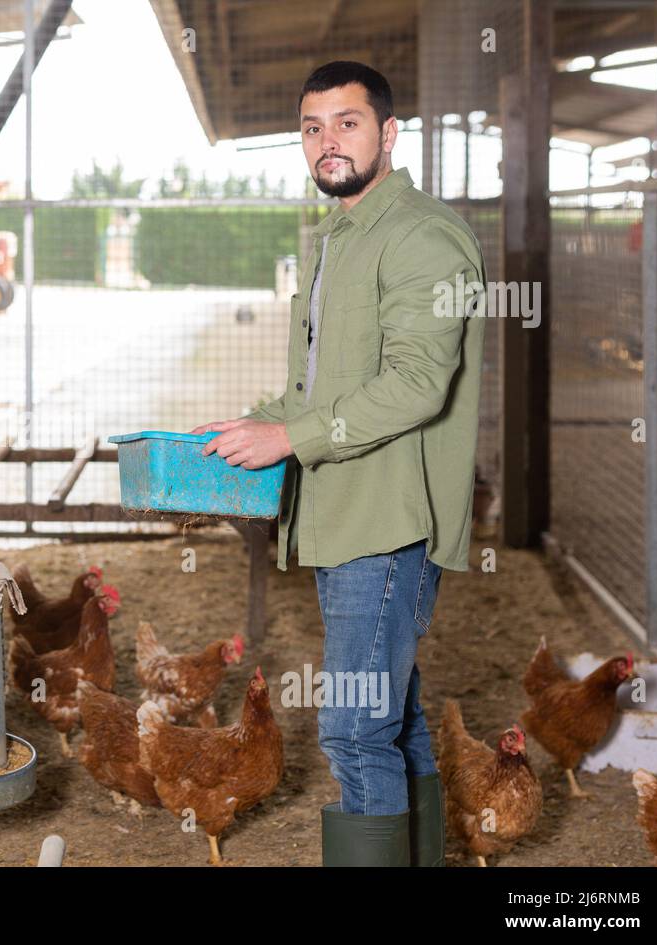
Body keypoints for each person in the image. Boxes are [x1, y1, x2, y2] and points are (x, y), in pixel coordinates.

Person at [192, 60, 487, 867]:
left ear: (389, 134)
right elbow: (328, 383)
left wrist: (289, 440)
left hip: (385, 519)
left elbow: (418, 385)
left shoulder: (423, 238)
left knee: (355, 731)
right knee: (396, 717)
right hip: (343, 509)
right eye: (312, 128)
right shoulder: (344, 235)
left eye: (347, 123)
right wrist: (258, 424)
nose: (328, 142)